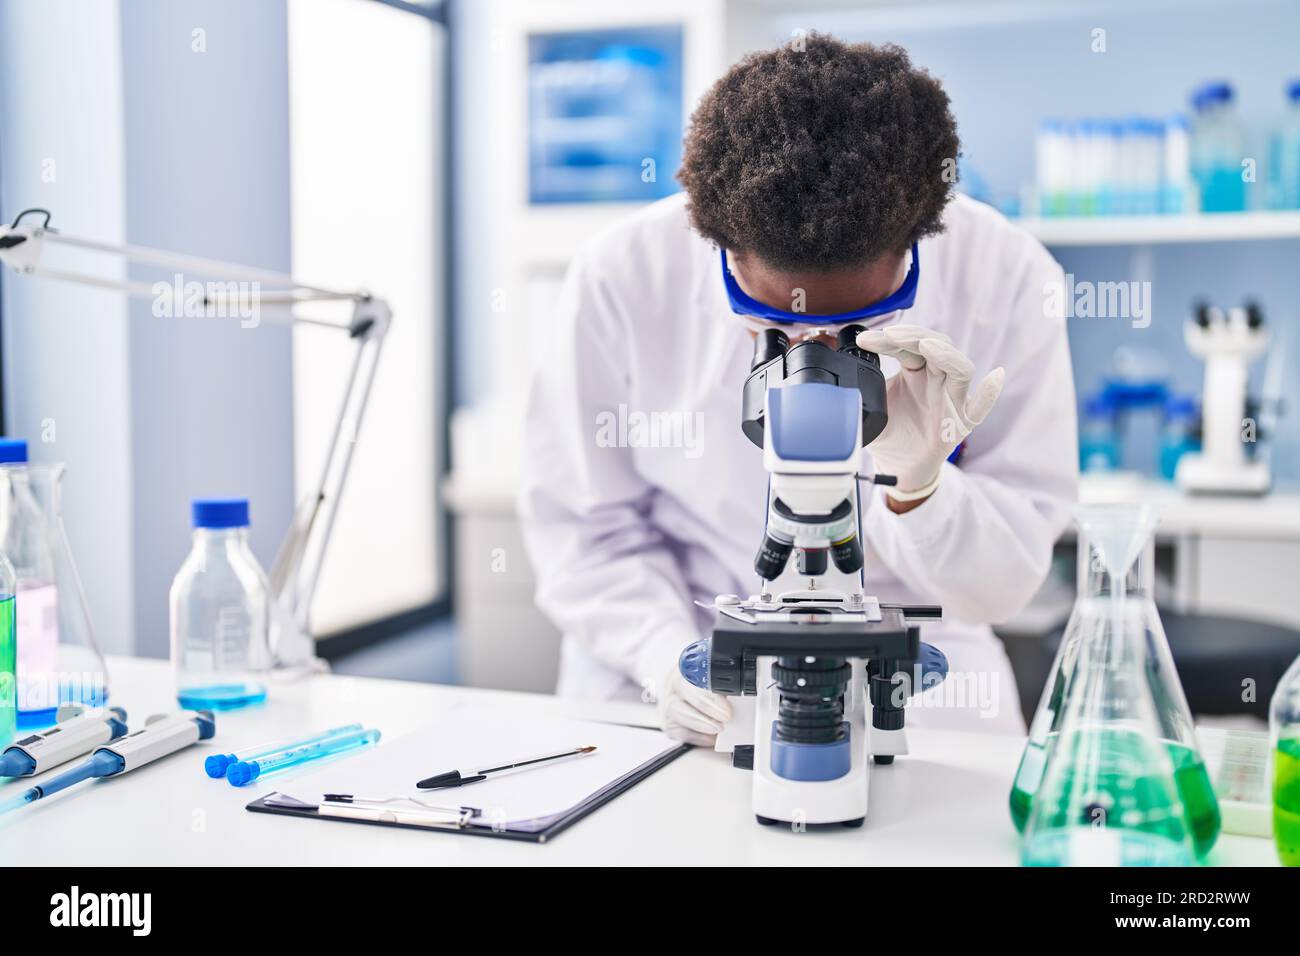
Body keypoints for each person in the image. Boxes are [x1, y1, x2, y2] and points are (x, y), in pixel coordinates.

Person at [518, 35, 1078, 743]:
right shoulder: (621, 278)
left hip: (918, 651)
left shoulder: (1009, 276)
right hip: (674, 646)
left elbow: (1005, 586)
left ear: (916, 243)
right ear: (718, 242)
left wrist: (921, 487)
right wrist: (666, 658)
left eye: (859, 324)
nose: (813, 354)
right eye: (774, 320)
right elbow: (584, 535)